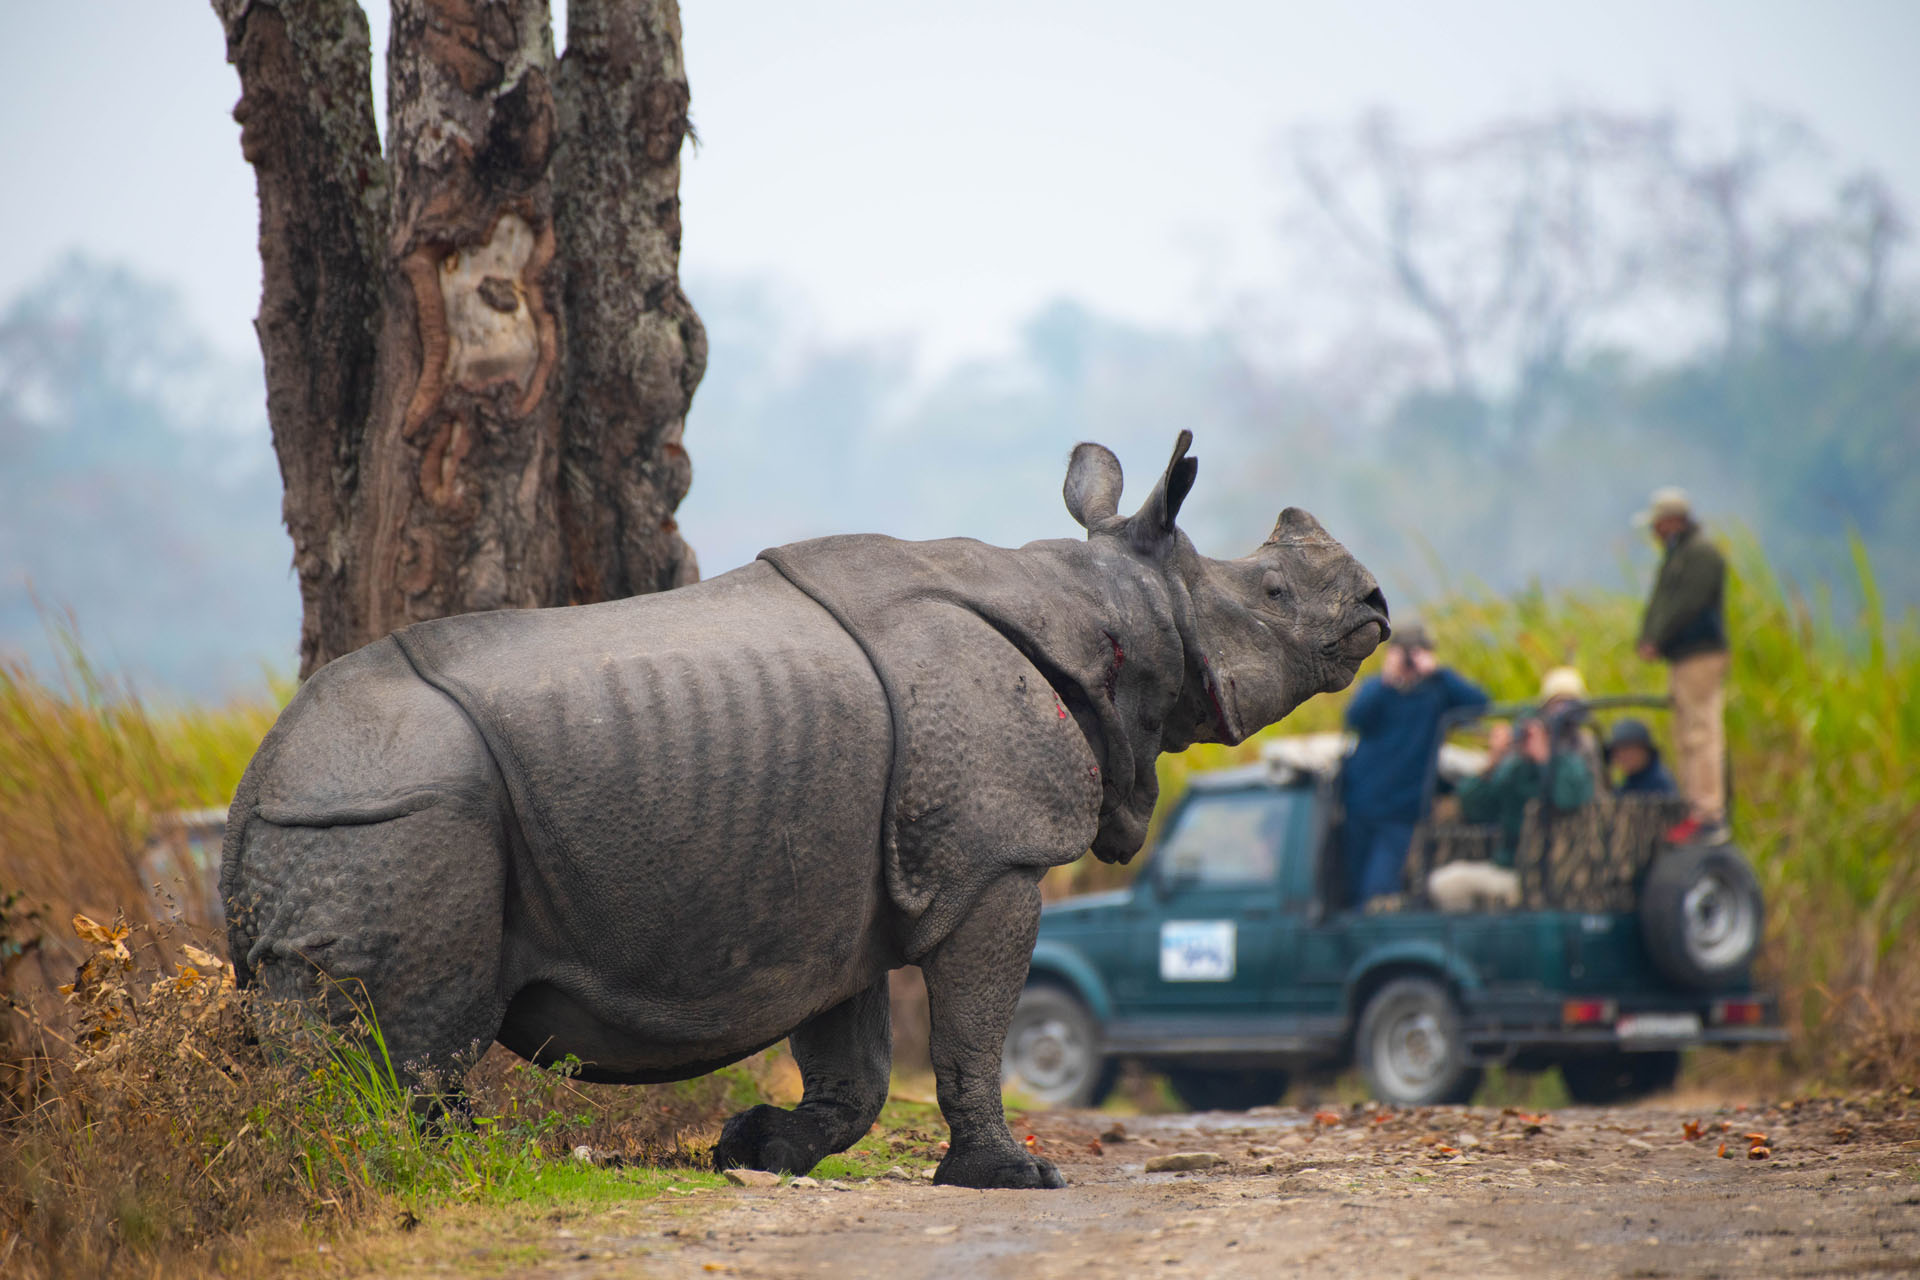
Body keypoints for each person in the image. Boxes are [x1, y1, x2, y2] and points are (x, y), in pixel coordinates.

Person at [1340, 621, 1488, 907]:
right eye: (1402, 652)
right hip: (1360, 805)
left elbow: (1480, 705)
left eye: (1416, 652)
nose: (1408, 659)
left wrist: (1438, 673)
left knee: (1378, 890)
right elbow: (1355, 719)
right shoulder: (1378, 690)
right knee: (1349, 886)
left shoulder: (1436, 693)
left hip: (1402, 811)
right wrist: (1387, 680)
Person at [1634, 487, 1730, 844]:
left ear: (1672, 521)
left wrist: (1657, 637)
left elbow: (1687, 603)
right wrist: (1649, 637)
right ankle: (1695, 809)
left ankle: (1707, 813)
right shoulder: (1679, 555)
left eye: (1657, 525)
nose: (1653, 532)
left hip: (1700, 654)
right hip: (1683, 656)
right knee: (1686, 735)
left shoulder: (1701, 555)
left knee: (1700, 733)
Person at [1429, 715, 1595, 911]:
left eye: (1534, 735)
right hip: (1512, 868)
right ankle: (1472, 940)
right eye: (1524, 736)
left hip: (1558, 874)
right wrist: (1494, 760)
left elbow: (1566, 801)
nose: (1528, 742)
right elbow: (1472, 805)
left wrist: (1544, 759)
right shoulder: (1515, 769)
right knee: (1445, 883)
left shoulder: (1569, 765)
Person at [1605, 718, 1677, 797]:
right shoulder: (1631, 782)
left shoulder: (1659, 784)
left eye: (1627, 749)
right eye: (1616, 752)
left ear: (1645, 751)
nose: (1621, 756)